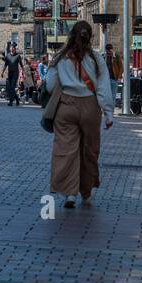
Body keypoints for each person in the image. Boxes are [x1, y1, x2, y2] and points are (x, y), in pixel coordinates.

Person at [45, 21, 114, 208]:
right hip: (90, 106)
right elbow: (103, 87)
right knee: (89, 150)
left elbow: (50, 85)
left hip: (66, 106)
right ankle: (86, 191)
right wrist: (108, 113)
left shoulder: (60, 58)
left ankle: (69, 194)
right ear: (90, 37)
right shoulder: (96, 59)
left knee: (66, 149)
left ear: (71, 35)